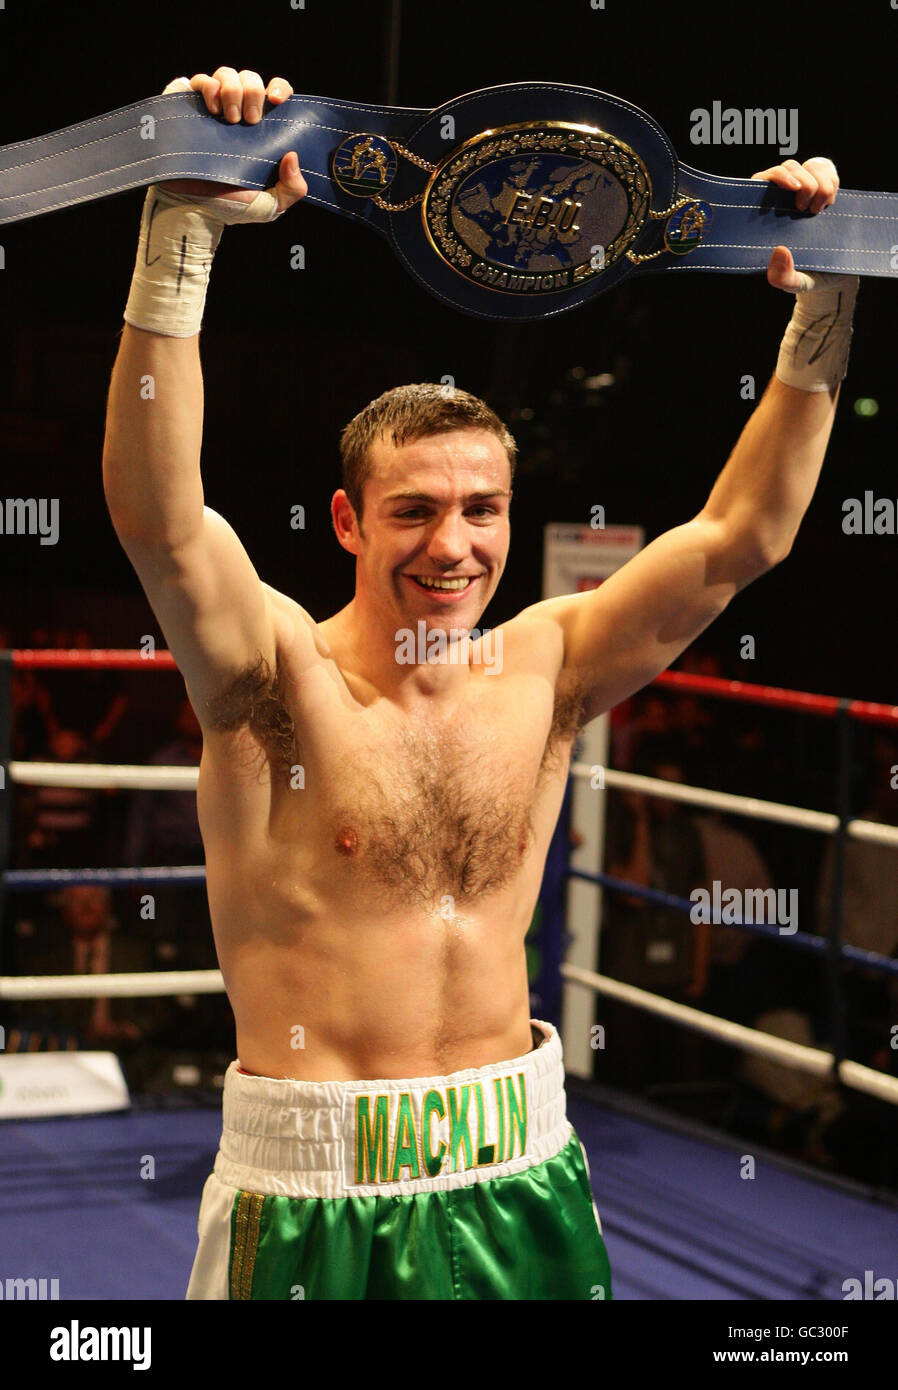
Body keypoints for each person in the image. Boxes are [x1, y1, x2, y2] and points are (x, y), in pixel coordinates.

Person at [101, 65, 857, 1301]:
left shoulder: (550, 664)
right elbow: (160, 522)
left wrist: (824, 307)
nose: (452, 546)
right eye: (414, 511)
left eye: (481, 509)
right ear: (347, 519)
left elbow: (745, 537)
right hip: (318, 1189)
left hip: (524, 1161)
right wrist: (178, 239)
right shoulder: (276, 678)